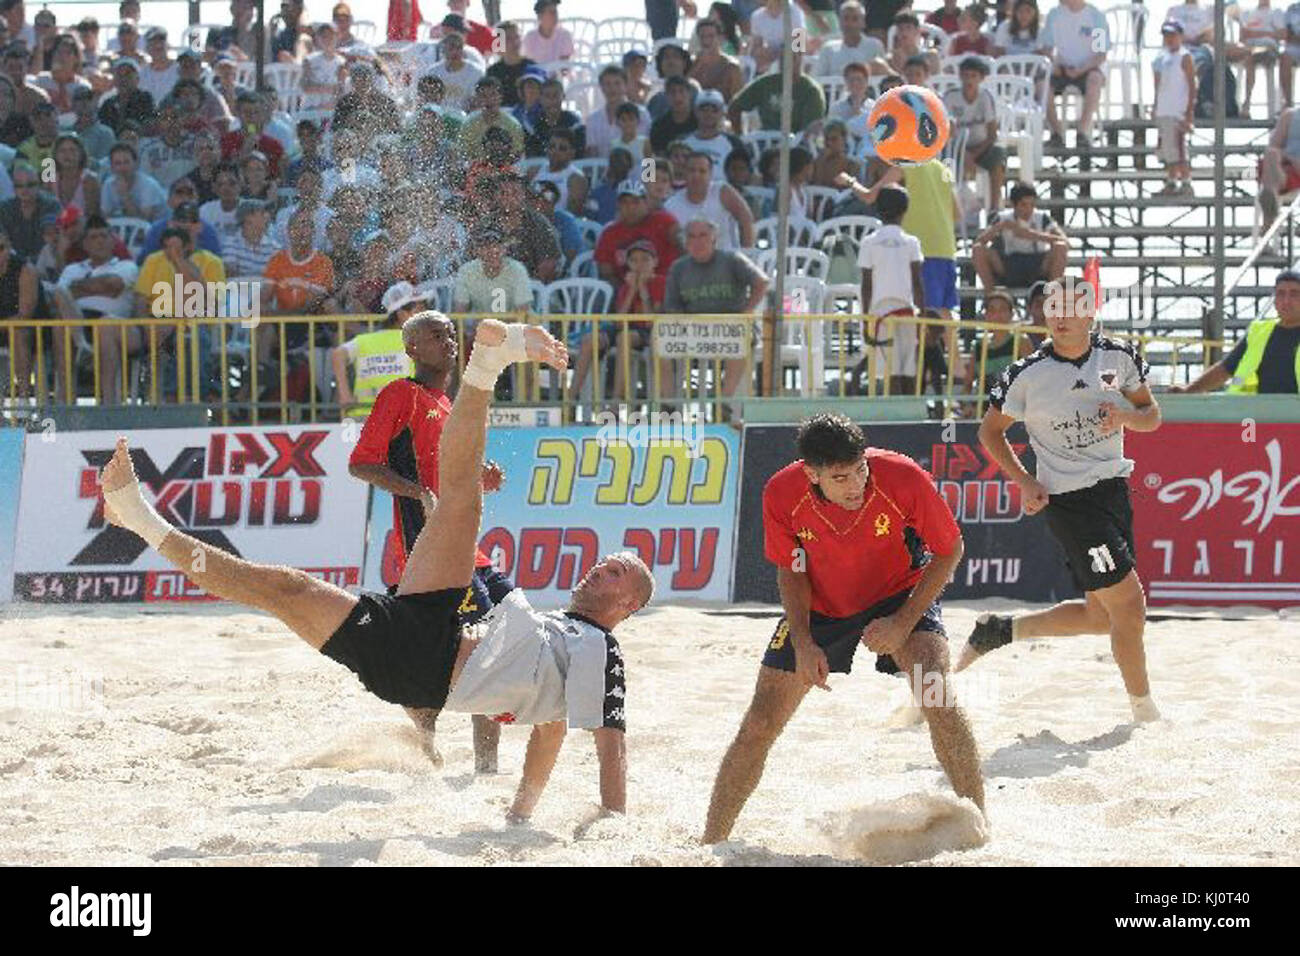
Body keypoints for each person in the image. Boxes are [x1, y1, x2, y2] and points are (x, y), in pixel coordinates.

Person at [99, 319, 641, 823]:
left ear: (628, 606)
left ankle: (145, 522)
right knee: (444, 511)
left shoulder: (600, 650)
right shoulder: (557, 629)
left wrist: (596, 819)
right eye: (608, 561)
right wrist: (520, 815)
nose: (599, 567)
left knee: (294, 582)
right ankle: (490, 364)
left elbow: (586, 741)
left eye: (615, 572)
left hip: (421, 660)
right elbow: (546, 729)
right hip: (430, 614)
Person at [702, 413, 983, 844]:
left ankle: (978, 830)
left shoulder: (902, 476)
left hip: (899, 595)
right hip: (822, 605)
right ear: (811, 474)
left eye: (860, 470)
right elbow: (791, 570)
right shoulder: (782, 492)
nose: (856, 485)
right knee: (759, 724)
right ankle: (711, 843)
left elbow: (950, 550)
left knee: (937, 695)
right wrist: (802, 640)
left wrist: (902, 621)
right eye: (840, 478)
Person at [958, 277, 1163, 726]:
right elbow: (989, 433)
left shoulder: (1119, 357)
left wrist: (1126, 417)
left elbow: (1152, 416)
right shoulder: (1025, 374)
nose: (1059, 316)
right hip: (1069, 502)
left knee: (1098, 617)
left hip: (1113, 491)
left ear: (1091, 312)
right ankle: (1145, 714)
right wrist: (1025, 481)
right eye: (1052, 307)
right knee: (1129, 606)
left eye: (1070, 307)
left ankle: (998, 631)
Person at [347, 308, 513, 770]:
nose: (449, 341)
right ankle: (449, 754)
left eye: (450, 334)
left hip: (464, 548)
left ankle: (472, 762)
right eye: (437, 335)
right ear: (412, 349)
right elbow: (361, 463)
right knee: (477, 651)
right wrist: (417, 491)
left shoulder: (447, 405)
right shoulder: (401, 394)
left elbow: (443, 477)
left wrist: (477, 479)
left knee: (497, 640)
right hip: (429, 552)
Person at [663, 218, 767, 400]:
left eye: (703, 235)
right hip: (695, 329)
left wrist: (748, 310)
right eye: (692, 237)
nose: (698, 241)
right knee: (659, 342)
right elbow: (672, 306)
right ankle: (669, 404)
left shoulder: (732, 259)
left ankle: (724, 402)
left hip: (731, 326)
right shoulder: (678, 268)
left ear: (714, 238)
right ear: (686, 242)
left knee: (740, 338)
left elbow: (761, 282)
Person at [50, 213, 139, 404]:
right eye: (93, 237)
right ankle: (66, 404)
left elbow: (113, 286)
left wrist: (78, 288)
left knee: (104, 326)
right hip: (78, 321)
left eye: (104, 236)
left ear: (113, 241)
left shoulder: (127, 266)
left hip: (118, 326)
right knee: (59, 325)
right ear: (85, 244)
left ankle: (109, 405)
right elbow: (61, 295)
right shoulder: (71, 269)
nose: (99, 242)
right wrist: (97, 286)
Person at [1170, 270, 1300, 394]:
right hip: (1256, 412)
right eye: (1281, 294)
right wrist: (1189, 390)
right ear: (1275, 300)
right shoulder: (1259, 332)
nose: (1286, 301)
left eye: (1294, 294)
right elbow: (1224, 369)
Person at [858, 183, 925, 395]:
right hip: (906, 311)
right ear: (905, 211)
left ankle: (897, 413)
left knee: (892, 368)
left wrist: (865, 316)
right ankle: (910, 412)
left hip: (880, 313)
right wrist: (922, 313)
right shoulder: (911, 242)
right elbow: (917, 282)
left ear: (878, 210)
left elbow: (866, 284)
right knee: (908, 367)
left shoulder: (869, 242)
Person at [332, 280, 422, 417]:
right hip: (401, 419)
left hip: (364, 418)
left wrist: (345, 394)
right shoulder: (417, 342)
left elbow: (338, 354)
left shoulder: (365, 341)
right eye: (418, 312)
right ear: (402, 314)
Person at [972, 182, 1068, 290]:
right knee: (978, 249)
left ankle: (1052, 295)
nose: (1028, 210)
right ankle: (991, 295)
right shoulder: (1002, 218)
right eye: (1023, 205)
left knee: (1060, 247)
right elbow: (979, 242)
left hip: (1037, 264)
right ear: (1013, 204)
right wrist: (1000, 227)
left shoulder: (1042, 217)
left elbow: (1065, 242)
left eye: (1031, 205)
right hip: (1009, 265)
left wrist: (1031, 235)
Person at [1040, 0, 1109, 146]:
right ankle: (1056, 132)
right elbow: (1046, 48)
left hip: (1088, 67)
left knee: (1095, 79)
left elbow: (1101, 54)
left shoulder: (1096, 16)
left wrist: (1082, 69)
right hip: (1061, 67)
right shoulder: (1054, 15)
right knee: (1041, 85)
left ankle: (1082, 132)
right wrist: (1054, 64)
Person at [944, 57, 1005, 212]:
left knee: (998, 156)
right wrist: (963, 154)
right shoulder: (950, 97)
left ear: (981, 78)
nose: (969, 80)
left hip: (981, 146)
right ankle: (950, 206)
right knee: (946, 162)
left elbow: (992, 134)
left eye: (973, 76)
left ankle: (994, 208)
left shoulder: (985, 97)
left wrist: (974, 154)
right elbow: (945, 132)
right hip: (955, 147)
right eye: (965, 75)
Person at [664, 151, 755, 250]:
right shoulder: (671, 205)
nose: (696, 175)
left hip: (728, 259)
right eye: (691, 170)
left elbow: (746, 219)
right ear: (685, 173)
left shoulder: (722, 191)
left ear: (710, 174)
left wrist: (747, 253)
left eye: (702, 171)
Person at [727, 52, 826, 133]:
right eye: (783, 58)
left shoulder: (811, 91)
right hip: (765, 142)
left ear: (800, 58)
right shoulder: (766, 83)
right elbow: (734, 107)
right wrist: (740, 135)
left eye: (792, 58)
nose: (786, 62)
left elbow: (810, 130)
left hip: (795, 147)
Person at [1153, 22, 1196, 197]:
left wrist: (1189, 112)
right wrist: (1155, 106)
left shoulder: (1184, 57)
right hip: (1164, 110)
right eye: (1166, 36)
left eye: (1173, 35)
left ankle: (1186, 182)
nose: (1169, 39)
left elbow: (1192, 85)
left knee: (1179, 149)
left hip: (1177, 111)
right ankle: (1171, 181)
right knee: (1167, 150)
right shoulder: (1161, 58)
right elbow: (1158, 85)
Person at [814, 1, 888, 76]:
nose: (850, 23)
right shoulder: (828, 49)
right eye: (846, 18)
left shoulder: (875, 46)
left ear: (863, 22)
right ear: (839, 22)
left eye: (855, 19)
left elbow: (884, 77)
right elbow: (818, 78)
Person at [1257, 104, 1300, 231]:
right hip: (1286, 169)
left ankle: (1267, 225)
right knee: (1271, 154)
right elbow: (1273, 146)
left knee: (1273, 162)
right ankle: (1271, 195)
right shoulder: (1290, 116)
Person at [689, 18, 744, 102]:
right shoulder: (691, 63)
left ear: (720, 38)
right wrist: (698, 65)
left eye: (711, 36)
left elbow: (738, 99)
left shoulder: (731, 66)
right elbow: (683, 89)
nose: (706, 41)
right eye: (702, 36)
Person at [98, 56, 154, 135]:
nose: (123, 79)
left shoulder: (145, 99)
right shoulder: (108, 103)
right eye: (119, 75)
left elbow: (150, 125)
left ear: (137, 78)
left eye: (128, 74)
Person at [649, 75, 699, 156]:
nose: (677, 97)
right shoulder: (659, 126)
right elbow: (650, 158)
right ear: (666, 96)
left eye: (681, 91)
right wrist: (649, 169)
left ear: (689, 93)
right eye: (672, 92)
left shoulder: (701, 121)